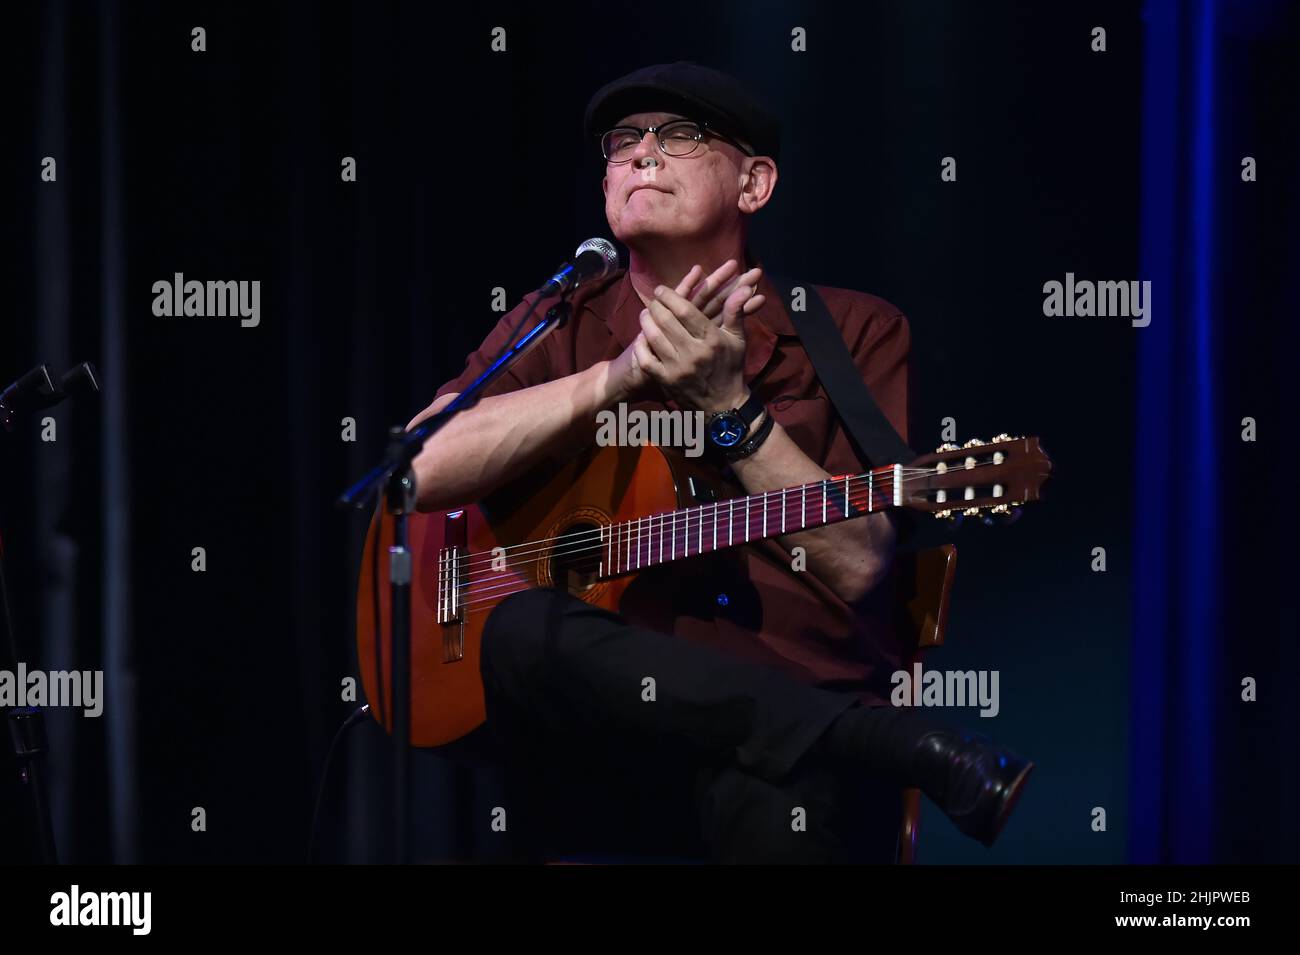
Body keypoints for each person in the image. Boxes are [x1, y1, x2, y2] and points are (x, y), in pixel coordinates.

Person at [408, 62, 1032, 863]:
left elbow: (860, 564)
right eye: (623, 141)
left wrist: (730, 408)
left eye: (678, 135)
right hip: (608, 742)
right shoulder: (557, 320)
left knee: (778, 799)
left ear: (754, 184)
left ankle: (842, 738)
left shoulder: (848, 332)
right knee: (523, 626)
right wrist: (617, 375)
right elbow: (419, 467)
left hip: (786, 754)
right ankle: (883, 740)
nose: (639, 155)